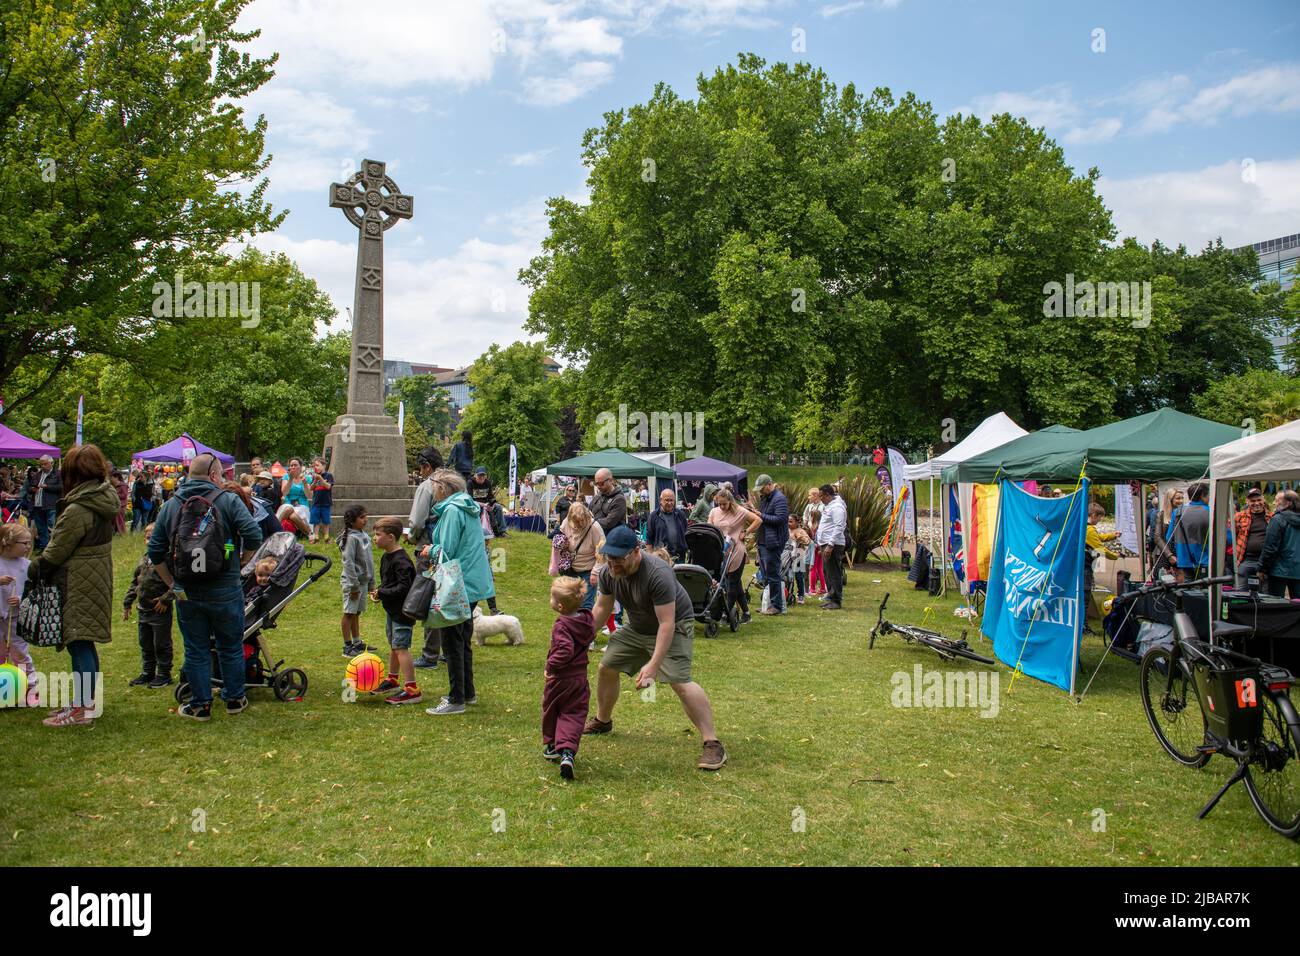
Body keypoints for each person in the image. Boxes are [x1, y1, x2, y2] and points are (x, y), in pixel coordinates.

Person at [582, 525, 727, 771]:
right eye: (609, 557)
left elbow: (667, 624)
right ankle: (603, 721)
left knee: (679, 681)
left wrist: (653, 665)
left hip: (675, 625)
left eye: (619, 558)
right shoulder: (609, 572)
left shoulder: (657, 573)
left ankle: (712, 742)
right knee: (607, 666)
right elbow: (602, 609)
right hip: (638, 626)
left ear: (636, 552)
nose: (613, 564)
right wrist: (581, 639)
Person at [149, 451, 263, 720]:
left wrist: (172, 584)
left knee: (196, 648)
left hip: (187, 589)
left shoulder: (171, 504)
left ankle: (200, 705)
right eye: (222, 475)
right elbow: (254, 535)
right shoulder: (229, 501)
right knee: (230, 645)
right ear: (213, 475)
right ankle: (235, 698)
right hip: (225, 585)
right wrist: (239, 561)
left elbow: (155, 550)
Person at [29, 445, 119, 726]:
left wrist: (31, 569)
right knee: (83, 641)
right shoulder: (103, 496)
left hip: (78, 578)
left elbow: (56, 551)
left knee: (79, 641)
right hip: (94, 574)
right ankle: (85, 701)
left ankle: (83, 707)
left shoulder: (79, 507)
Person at [420, 470, 495, 715]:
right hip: (472, 582)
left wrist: (429, 550)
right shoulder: (467, 507)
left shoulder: (453, 511)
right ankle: (466, 692)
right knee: (462, 639)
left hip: (458, 582)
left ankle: (456, 699)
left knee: (452, 642)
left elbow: (448, 550)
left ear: (442, 488)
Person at [542, 575, 595, 779]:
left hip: (561, 678)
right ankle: (568, 753)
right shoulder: (586, 620)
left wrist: (551, 665)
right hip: (580, 679)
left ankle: (553, 745)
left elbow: (564, 650)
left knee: (553, 709)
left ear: (561, 606)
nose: (551, 601)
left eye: (553, 599)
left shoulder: (562, 625)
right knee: (574, 713)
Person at [370, 517, 421, 705]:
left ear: (391, 537)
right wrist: (380, 593)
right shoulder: (386, 556)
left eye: (377, 535)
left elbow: (404, 588)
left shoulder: (401, 561)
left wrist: (382, 592)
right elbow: (389, 584)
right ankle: (392, 679)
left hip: (403, 613)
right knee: (394, 645)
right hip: (392, 611)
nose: (374, 538)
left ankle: (412, 689)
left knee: (401, 648)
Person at [123, 522, 175, 688]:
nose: (150, 541)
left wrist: (165, 599)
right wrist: (128, 603)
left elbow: (176, 584)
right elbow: (135, 583)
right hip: (143, 610)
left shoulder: (167, 560)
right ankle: (148, 672)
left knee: (161, 643)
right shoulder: (144, 560)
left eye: (154, 538)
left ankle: (164, 674)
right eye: (147, 538)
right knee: (145, 643)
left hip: (159, 610)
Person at [407, 446, 445, 669]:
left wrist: (411, 536)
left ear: (427, 466)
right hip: (451, 549)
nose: (420, 472)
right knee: (448, 598)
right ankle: (449, 651)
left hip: (428, 550)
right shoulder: (454, 484)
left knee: (429, 599)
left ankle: (430, 655)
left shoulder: (427, 486)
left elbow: (418, 521)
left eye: (421, 468)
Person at [709, 487, 761, 626]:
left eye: (724, 504)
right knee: (736, 584)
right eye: (719, 503)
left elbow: (758, 520)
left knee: (732, 583)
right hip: (722, 550)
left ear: (730, 502)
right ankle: (746, 613)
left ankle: (726, 613)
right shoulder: (714, 512)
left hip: (736, 550)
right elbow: (710, 527)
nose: (722, 506)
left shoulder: (740, 511)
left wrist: (746, 531)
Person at [0, 523, 38, 705]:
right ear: (8, 543)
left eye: (30, 543)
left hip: (16, 618)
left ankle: (31, 688)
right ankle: (5, 689)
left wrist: (21, 599)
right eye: (24, 543)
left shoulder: (28, 566)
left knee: (20, 653)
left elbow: (33, 592)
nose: (28, 547)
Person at [554, 501, 605, 611]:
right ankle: (570, 625)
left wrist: (595, 573)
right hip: (570, 569)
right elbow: (558, 539)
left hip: (589, 570)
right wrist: (562, 544)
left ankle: (584, 626)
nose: (579, 524)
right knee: (569, 601)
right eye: (576, 521)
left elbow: (602, 552)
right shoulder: (566, 522)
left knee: (586, 604)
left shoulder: (594, 527)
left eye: (582, 520)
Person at [338, 505, 374, 657]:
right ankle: (347, 646)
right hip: (353, 583)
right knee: (349, 613)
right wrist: (353, 587)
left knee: (356, 612)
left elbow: (369, 561)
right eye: (361, 517)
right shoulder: (351, 538)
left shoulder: (363, 535)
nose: (365, 520)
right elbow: (348, 563)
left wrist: (371, 583)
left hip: (363, 582)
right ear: (352, 521)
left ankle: (357, 642)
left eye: (366, 516)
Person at [752, 475, 789, 616]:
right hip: (763, 541)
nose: (760, 492)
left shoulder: (779, 499)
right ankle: (767, 604)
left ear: (769, 485)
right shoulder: (766, 497)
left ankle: (776, 606)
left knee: (773, 574)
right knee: (766, 575)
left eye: (762, 489)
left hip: (773, 542)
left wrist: (760, 515)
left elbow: (780, 519)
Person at [1260, 490, 1300, 599]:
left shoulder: (1278, 519)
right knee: (1297, 606)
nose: (1274, 503)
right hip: (1298, 571)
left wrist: (1262, 568)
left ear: (1288, 503)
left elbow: (1270, 547)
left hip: (1278, 571)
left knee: (1276, 607)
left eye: (1277, 500)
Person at [1169, 481, 1210, 583]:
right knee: (1204, 592)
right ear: (1202, 496)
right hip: (1205, 559)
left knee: (1189, 592)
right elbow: (1226, 538)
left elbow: (1169, 536)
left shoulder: (1177, 512)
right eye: (1208, 495)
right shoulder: (1210, 511)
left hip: (1184, 559)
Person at [816, 483, 847, 610]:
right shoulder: (830, 506)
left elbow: (839, 526)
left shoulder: (837, 507)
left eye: (821, 496)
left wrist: (830, 545)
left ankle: (836, 599)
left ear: (828, 495)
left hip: (833, 544)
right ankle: (830, 596)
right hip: (826, 543)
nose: (820, 498)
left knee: (833, 572)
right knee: (827, 571)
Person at [1233, 488, 1272, 589]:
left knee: (1265, 594)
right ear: (1247, 501)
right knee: (1241, 593)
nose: (1256, 503)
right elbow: (1231, 536)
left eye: (1259, 500)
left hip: (1265, 562)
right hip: (1245, 560)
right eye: (1253, 501)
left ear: (1263, 500)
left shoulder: (1272, 517)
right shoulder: (1239, 516)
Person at [24, 454, 61, 551]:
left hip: (51, 505)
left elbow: (61, 488)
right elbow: (29, 487)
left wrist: (47, 487)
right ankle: (44, 547)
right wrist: (32, 489)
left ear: (51, 463)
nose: (43, 466)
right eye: (41, 464)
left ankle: (54, 548)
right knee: (41, 528)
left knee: (52, 526)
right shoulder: (38, 475)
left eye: (45, 464)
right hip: (37, 504)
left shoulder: (58, 474)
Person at [646, 489, 688, 562]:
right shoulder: (653, 516)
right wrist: (651, 558)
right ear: (660, 501)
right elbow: (649, 539)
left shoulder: (680, 514)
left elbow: (686, 532)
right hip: (662, 558)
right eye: (666, 500)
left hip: (680, 557)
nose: (669, 503)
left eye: (671, 500)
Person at [1151, 488, 1183, 578]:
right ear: (1170, 499)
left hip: (1181, 554)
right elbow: (1157, 537)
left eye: (1182, 498)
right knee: (1161, 579)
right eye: (1178, 498)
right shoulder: (1161, 515)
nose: (1181, 501)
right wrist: (1169, 555)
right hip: (1165, 554)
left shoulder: (1184, 514)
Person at [281, 459, 313, 540]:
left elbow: (309, 496)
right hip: (288, 504)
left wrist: (305, 484)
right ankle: (309, 533)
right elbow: (284, 493)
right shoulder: (286, 477)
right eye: (291, 465)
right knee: (291, 513)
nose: (293, 467)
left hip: (302, 505)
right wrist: (290, 479)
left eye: (295, 465)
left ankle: (273, 531)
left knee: (293, 515)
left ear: (301, 467)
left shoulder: (307, 478)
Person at [589, 468, 627, 536]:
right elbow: (588, 511)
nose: (598, 486)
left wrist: (590, 521)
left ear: (611, 480)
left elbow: (608, 523)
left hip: (612, 540)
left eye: (601, 483)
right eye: (596, 483)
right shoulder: (598, 496)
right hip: (597, 537)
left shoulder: (619, 499)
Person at [470, 466, 506, 537]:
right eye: (480, 475)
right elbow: (470, 500)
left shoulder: (487, 483)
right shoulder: (470, 483)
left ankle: (501, 531)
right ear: (475, 475)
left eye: (483, 475)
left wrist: (491, 505)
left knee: (498, 507)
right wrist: (483, 505)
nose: (482, 477)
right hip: (475, 504)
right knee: (479, 509)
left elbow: (491, 497)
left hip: (486, 504)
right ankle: (479, 532)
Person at [785, 516, 812, 605]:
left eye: (791, 521)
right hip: (787, 555)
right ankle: (789, 592)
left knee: (799, 576)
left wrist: (801, 538)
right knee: (787, 575)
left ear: (796, 522)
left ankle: (801, 594)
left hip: (799, 555)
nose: (788, 523)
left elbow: (808, 541)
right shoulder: (786, 530)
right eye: (788, 521)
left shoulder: (800, 531)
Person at [309, 457, 334, 545]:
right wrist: (315, 481)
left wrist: (321, 479)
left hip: (326, 503)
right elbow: (311, 488)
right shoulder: (314, 476)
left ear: (324, 466)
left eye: (317, 465)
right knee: (316, 521)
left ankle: (326, 537)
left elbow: (328, 486)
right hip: (316, 502)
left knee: (326, 521)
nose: (315, 467)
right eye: (314, 466)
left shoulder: (329, 476)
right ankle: (316, 537)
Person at [129, 468, 156, 533]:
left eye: (141, 476)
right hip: (137, 504)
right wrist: (134, 501)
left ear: (146, 477)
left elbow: (154, 494)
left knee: (144, 520)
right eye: (140, 476)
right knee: (136, 519)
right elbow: (133, 493)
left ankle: (143, 533)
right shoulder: (137, 483)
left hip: (147, 505)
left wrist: (151, 500)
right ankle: (132, 533)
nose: (140, 478)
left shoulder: (151, 485)